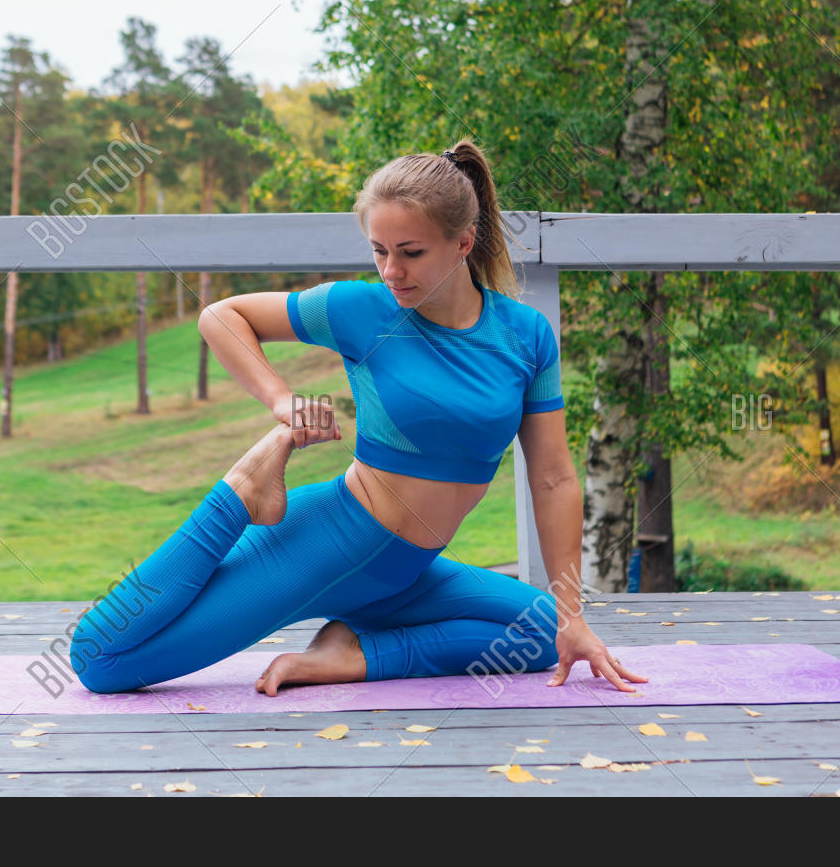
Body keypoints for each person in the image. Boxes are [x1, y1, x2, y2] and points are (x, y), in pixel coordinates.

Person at [68, 138, 646, 696]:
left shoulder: (525, 335)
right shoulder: (361, 309)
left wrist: (574, 614)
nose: (391, 271)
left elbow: (553, 478)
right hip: (328, 543)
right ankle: (240, 494)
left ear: (465, 242)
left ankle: (353, 653)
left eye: (411, 252)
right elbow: (222, 317)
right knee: (102, 659)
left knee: (548, 634)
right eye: (379, 250)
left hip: (407, 572)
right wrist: (280, 400)